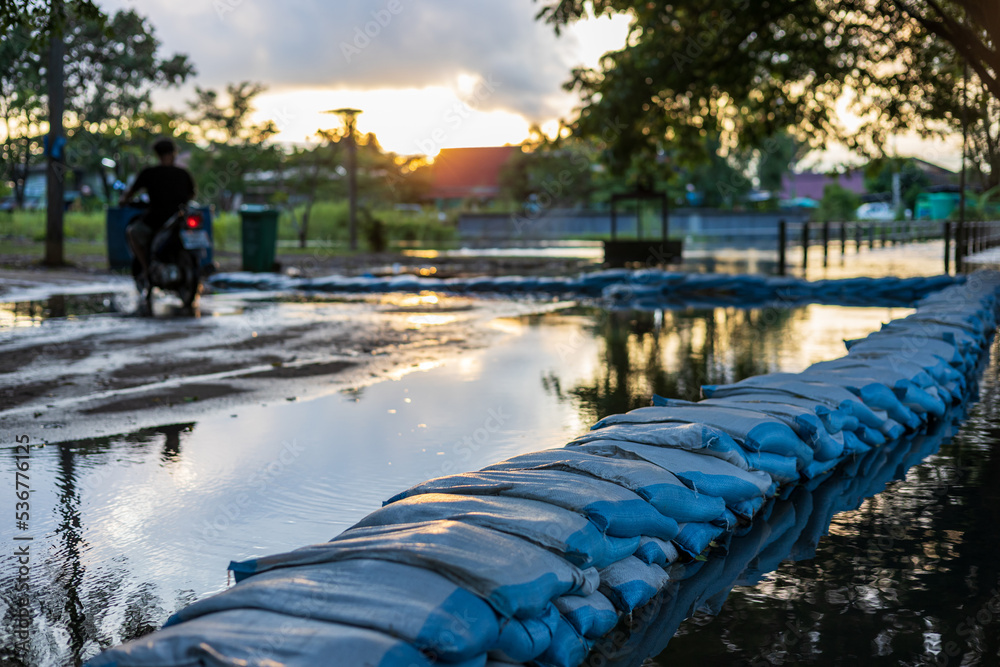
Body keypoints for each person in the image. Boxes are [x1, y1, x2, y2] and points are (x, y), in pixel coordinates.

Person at [121, 138, 196, 274]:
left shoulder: (149, 173)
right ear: (174, 153)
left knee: (133, 232)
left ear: (158, 155)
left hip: (155, 219)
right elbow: (192, 195)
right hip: (180, 217)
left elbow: (130, 193)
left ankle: (146, 269)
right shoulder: (183, 174)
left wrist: (123, 201)